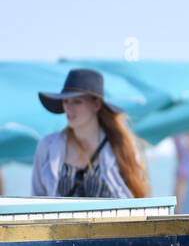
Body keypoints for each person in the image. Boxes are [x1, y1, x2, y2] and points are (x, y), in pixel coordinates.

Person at [31, 68, 150, 199]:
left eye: (77, 101)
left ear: (97, 104)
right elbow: (36, 199)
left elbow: (137, 200)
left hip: (110, 220)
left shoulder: (120, 147)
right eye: (65, 101)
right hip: (58, 220)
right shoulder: (47, 146)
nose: (69, 108)